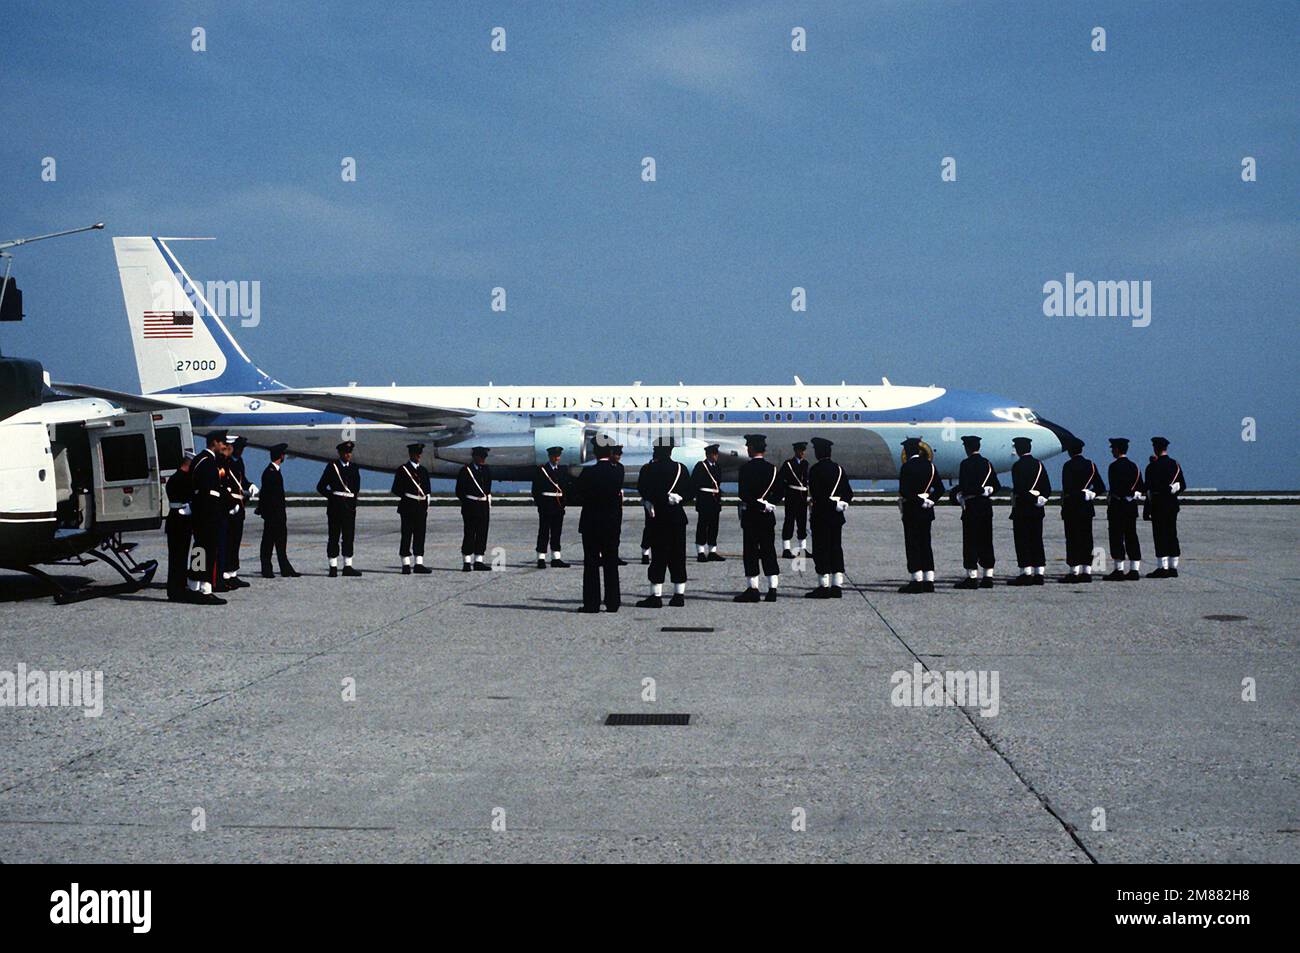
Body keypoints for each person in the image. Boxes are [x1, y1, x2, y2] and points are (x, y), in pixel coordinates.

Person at [635, 439, 694, 607]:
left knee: (659, 556)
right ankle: (679, 594)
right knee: (678, 555)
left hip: (658, 518)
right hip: (677, 518)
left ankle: (656, 595)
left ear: (657, 451)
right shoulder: (681, 469)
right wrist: (680, 497)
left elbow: (644, 490)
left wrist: (660, 498)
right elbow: (690, 491)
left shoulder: (648, 469)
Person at [733, 434, 783, 603]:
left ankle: (753, 589)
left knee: (751, 553)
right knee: (769, 551)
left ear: (752, 448)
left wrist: (759, 505)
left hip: (752, 516)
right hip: (767, 516)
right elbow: (779, 493)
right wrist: (768, 504)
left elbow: (743, 494)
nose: (747, 449)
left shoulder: (745, 469)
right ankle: (772, 589)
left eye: (748, 447)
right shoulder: (773, 469)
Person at [575, 442, 623, 612]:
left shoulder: (588, 473)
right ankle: (613, 602)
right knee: (611, 563)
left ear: (594, 453)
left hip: (591, 523)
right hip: (611, 523)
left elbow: (577, 493)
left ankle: (592, 603)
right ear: (609, 452)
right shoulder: (618, 470)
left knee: (591, 564)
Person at [185, 431, 228, 604]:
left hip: (205, 512)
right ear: (214, 442)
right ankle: (201, 588)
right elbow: (204, 491)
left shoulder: (205, 460)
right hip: (207, 513)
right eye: (222, 442)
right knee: (205, 550)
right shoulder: (205, 461)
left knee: (202, 550)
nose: (224, 446)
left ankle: (198, 586)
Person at [806, 437, 852, 598]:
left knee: (821, 550)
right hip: (836, 517)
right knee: (836, 549)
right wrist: (842, 503)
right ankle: (837, 585)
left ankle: (823, 585)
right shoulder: (839, 469)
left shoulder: (815, 470)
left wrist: (831, 505)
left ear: (818, 452)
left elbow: (817, 496)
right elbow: (848, 493)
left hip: (821, 516)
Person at [897, 437, 945, 593]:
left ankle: (916, 580)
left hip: (912, 510)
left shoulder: (907, 467)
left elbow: (904, 491)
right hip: (927, 511)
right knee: (926, 544)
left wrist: (918, 500)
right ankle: (929, 580)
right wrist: (930, 500)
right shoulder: (930, 466)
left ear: (907, 451)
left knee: (913, 544)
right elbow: (940, 489)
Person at [953, 435, 1001, 589]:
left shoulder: (965, 464)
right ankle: (988, 576)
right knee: (987, 540)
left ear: (967, 448)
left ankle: (972, 577)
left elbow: (964, 487)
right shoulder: (987, 463)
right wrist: (988, 490)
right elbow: (996, 485)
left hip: (972, 506)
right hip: (986, 506)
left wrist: (978, 490)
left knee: (971, 541)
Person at [1058, 437, 1106, 583]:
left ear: (1070, 452)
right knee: (1087, 539)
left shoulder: (1068, 466)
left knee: (1073, 539)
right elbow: (1101, 487)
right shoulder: (1090, 465)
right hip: (1086, 507)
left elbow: (1067, 488)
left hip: (1072, 507)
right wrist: (1091, 494)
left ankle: (1074, 571)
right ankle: (1087, 571)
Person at [1008, 435, 1050, 585]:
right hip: (1037, 509)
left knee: (1023, 541)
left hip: (1022, 509)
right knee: (1037, 540)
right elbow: (1047, 487)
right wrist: (1041, 499)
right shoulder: (1039, 465)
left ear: (1018, 450)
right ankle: (1039, 573)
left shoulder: (1017, 466)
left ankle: (1026, 573)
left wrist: (1031, 499)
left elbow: (1019, 489)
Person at [317, 440, 362, 577]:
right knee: (334, 537)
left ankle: (347, 566)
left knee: (348, 537)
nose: (348, 455)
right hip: (335, 508)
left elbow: (356, 488)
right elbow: (321, 487)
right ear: (340, 453)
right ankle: (333, 566)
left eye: (350, 452)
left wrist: (352, 503)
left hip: (349, 508)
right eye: (346, 452)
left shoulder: (354, 468)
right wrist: (332, 497)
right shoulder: (332, 467)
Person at [1103, 437, 1145, 581]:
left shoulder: (1113, 467)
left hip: (1117, 506)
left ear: (1116, 449)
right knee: (1131, 536)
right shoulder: (1134, 466)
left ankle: (1119, 569)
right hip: (1130, 506)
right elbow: (1141, 486)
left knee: (1116, 538)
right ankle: (1134, 569)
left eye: (1112, 449)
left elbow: (1115, 487)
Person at [256, 443, 298, 578]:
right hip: (273, 515)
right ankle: (267, 569)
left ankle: (285, 568)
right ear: (281, 455)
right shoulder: (270, 472)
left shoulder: (274, 471)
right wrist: (268, 513)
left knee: (280, 543)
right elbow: (267, 495)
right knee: (268, 542)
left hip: (277, 515)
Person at [1144, 436, 1184, 578]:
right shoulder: (1175, 465)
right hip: (1171, 504)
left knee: (1160, 535)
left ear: (1155, 448)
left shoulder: (1152, 467)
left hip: (1158, 504)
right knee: (1172, 534)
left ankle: (1162, 567)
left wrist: (1146, 509)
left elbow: (1148, 490)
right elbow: (1183, 485)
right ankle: (1173, 567)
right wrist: (1175, 489)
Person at [392, 442, 433, 575]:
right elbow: (396, 489)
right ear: (411, 454)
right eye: (416, 453)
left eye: (420, 453)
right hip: (408, 507)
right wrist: (409, 496)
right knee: (406, 535)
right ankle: (405, 563)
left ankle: (419, 563)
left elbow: (427, 490)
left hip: (421, 507)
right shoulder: (403, 470)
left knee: (420, 535)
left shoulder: (423, 471)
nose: (419, 456)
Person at [218, 436, 251, 590]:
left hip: (239, 505)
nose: (241, 450)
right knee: (228, 541)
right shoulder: (226, 463)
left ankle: (232, 573)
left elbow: (242, 480)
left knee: (235, 541)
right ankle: (224, 574)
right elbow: (224, 485)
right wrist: (231, 504)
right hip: (230, 506)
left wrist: (250, 486)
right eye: (239, 447)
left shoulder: (239, 461)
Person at [455, 446, 492, 570]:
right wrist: (468, 502)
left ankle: (478, 561)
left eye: (484, 457)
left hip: (483, 506)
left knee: (482, 533)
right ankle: (466, 561)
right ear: (474, 457)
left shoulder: (486, 470)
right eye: (481, 457)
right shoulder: (465, 471)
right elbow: (459, 491)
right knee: (469, 533)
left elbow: (487, 489)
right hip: (470, 506)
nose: (483, 459)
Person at [532, 446, 569, 568]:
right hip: (546, 505)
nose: (556, 458)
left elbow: (564, 489)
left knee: (556, 532)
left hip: (558, 505)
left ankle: (556, 558)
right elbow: (536, 490)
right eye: (554, 456)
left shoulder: (562, 470)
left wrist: (563, 504)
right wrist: (541, 505)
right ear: (549, 456)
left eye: (558, 456)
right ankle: (541, 558)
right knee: (543, 532)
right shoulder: (542, 470)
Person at [164, 451, 194, 601]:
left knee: (178, 558)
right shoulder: (182, 479)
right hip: (180, 521)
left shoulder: (174, 478)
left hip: (176, 520)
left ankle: (177, 588)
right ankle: (177, 590)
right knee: (179, 558)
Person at [690, 444, 725, 562]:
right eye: (714, 454)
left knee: (714, 526)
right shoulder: (701, 466)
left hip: (714, 501)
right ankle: (700, 551)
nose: (716, 456)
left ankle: (712, 551)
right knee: (702, 526)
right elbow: (695, 483)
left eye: (717, 454)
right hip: (704, 500)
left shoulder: (718, 467)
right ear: (708, 455)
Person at [778, 442, 811, 559]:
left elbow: (806, 480)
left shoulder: (806, 463)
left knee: (802, 523)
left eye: (803, 450)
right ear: (796, 451)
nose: (802, 453)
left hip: (802, 497)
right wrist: (785, 491)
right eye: (800, 451)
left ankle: (802, 549)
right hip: (792, 496)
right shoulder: (788, 464)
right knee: (789, 522)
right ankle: (786, 549)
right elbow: (780, 479)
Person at [610, 444, 629, 565]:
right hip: (607, 503)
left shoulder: (620, 468)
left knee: (616, 532)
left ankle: (614, 555)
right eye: (616, 454)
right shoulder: (607, 467)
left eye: (619, 455)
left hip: (616, 505)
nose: (618, 457)